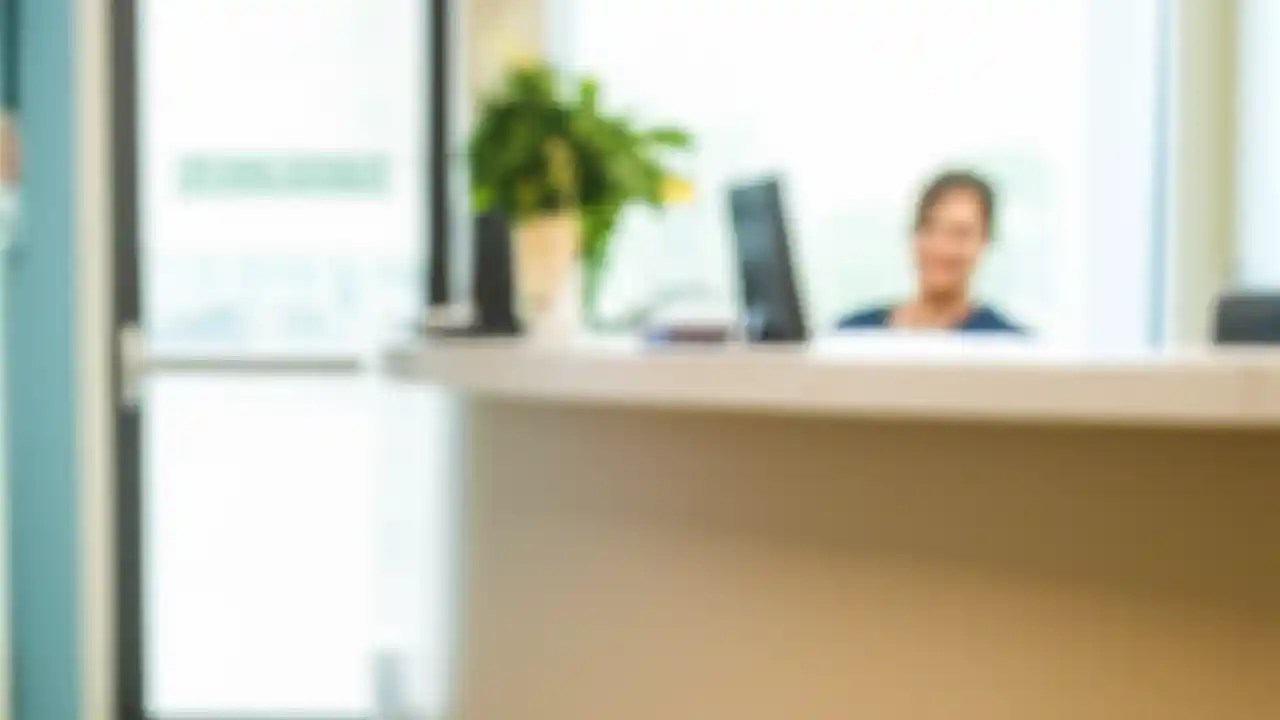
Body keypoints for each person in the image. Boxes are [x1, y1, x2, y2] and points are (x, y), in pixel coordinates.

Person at [839, 170, 1022, 334]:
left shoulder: (1009, 346)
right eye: (930, 228)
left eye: (960, 233)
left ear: (985, 241)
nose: (941, 247)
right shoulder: (852, 336)